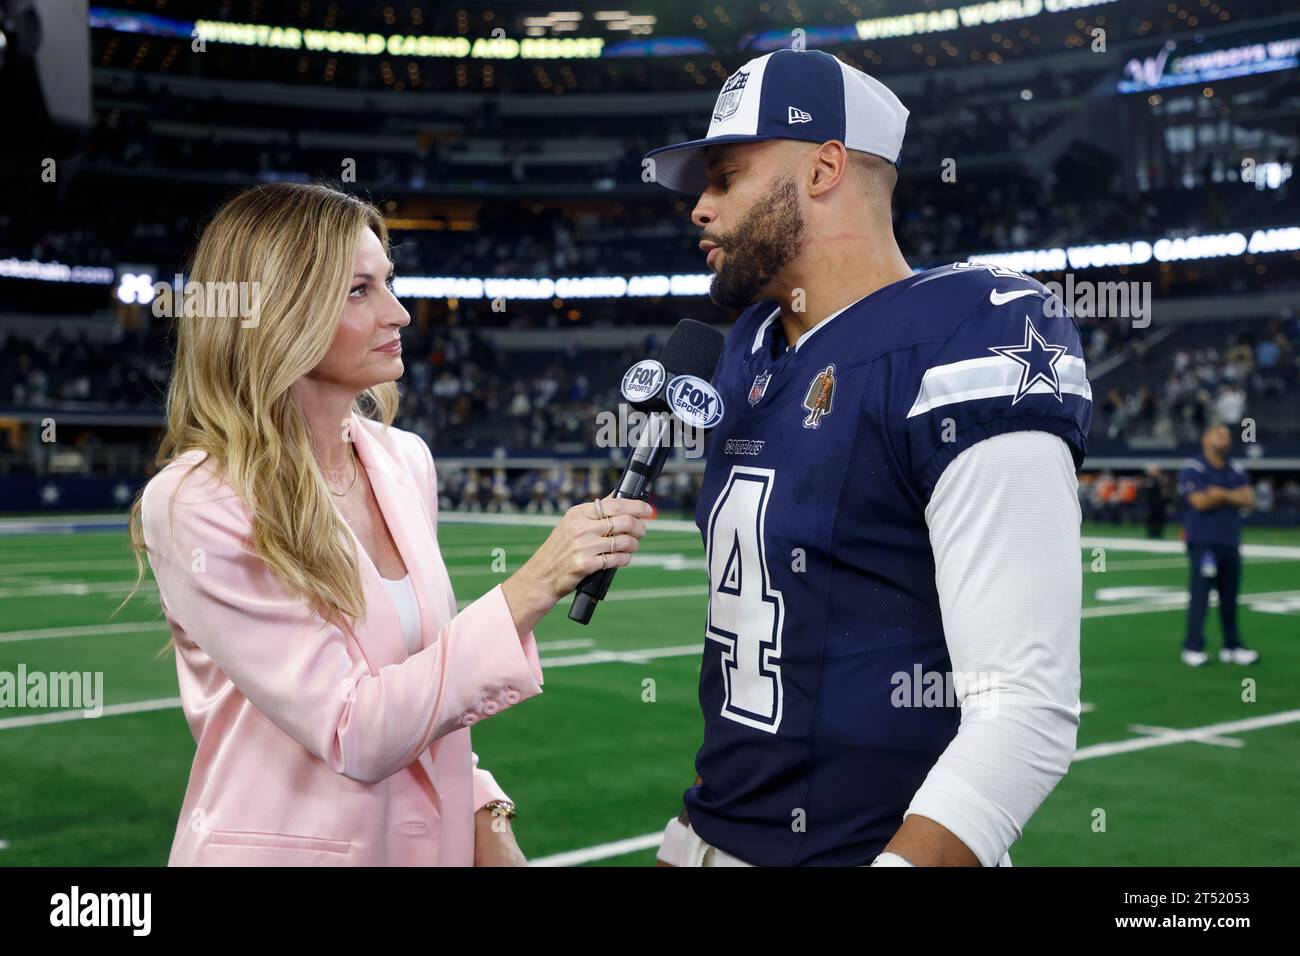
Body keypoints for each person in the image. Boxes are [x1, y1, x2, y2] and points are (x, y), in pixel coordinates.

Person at [644, 49, 1090, 867]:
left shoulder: (965, 339)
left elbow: (1024, 709)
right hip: (708, 835)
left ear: (823, 168)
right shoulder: (747, 346)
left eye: (726, 176)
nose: (699, 209)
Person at [123, 183, 651, 865]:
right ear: (280, 311)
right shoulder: (199, 502)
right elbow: (355, 729)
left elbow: (426, 684)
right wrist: (538, 583)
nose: (399, 313)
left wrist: (484, 811)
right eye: (358, 291)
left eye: (389, 284)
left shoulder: (405, 461)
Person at [1177, 423, 1258, 667]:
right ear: (1205, 438)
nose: (1225, 437)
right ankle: (1193, 646)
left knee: (1230, 597)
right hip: (1204, 544)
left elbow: (1249, 500)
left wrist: (1219, 493)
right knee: (1201, 595)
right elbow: (1200, 502)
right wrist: (1231, 496)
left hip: (1230, 542)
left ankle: (1232, 646)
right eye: (1219, 433)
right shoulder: (1194, 468)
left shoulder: (1236, 467)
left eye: (1227, 434)